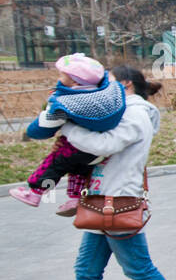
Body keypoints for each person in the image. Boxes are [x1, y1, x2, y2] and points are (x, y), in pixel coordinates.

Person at [25, 64, 176, 280]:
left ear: (125, 85)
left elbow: (104, 145)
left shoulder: (136, 114)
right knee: (87, 269)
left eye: (108, 82)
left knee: (138, 268)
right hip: (102, 201)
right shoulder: (125, 112)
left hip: (118, 200)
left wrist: (68, 125)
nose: (102, 88)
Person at [9, 53, 126, 216]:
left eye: (61, 75)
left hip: (72, 146)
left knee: (54, 165)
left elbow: (46, 126)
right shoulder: (105, 96)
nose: (59, 77)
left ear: (75, 81)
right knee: (78, 170)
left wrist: (32, 131)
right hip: (97, 151)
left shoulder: (67, 102)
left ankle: (34, 193)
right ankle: (75, 198)